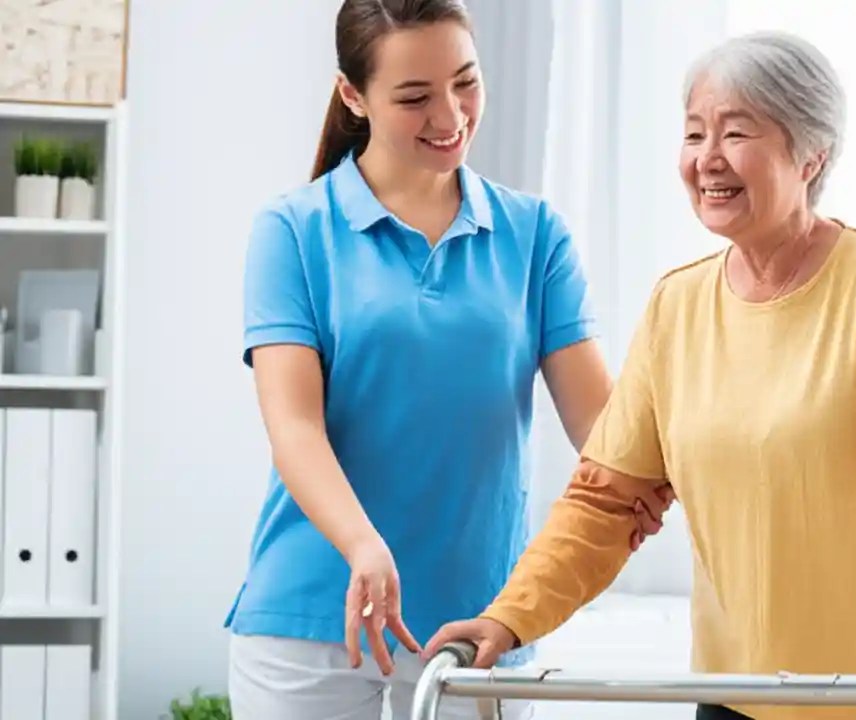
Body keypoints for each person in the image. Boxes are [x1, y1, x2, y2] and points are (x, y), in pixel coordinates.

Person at [424, 30, 856, 720]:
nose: (707, 158)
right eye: (695, 133)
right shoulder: (678, 306)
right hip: (740, 694)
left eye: (736, 132)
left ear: (812, 154)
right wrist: (509, 618)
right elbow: (605, 504)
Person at [224, 2, 674, 719]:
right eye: (415, 97)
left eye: (465, 82)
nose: (450, 115)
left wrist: (661, 477)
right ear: (353, 95)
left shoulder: (534, 235)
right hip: (312, 615)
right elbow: (295, 428)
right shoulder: (294, 230)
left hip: (479, 625)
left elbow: (602, 427)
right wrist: (363, 547)